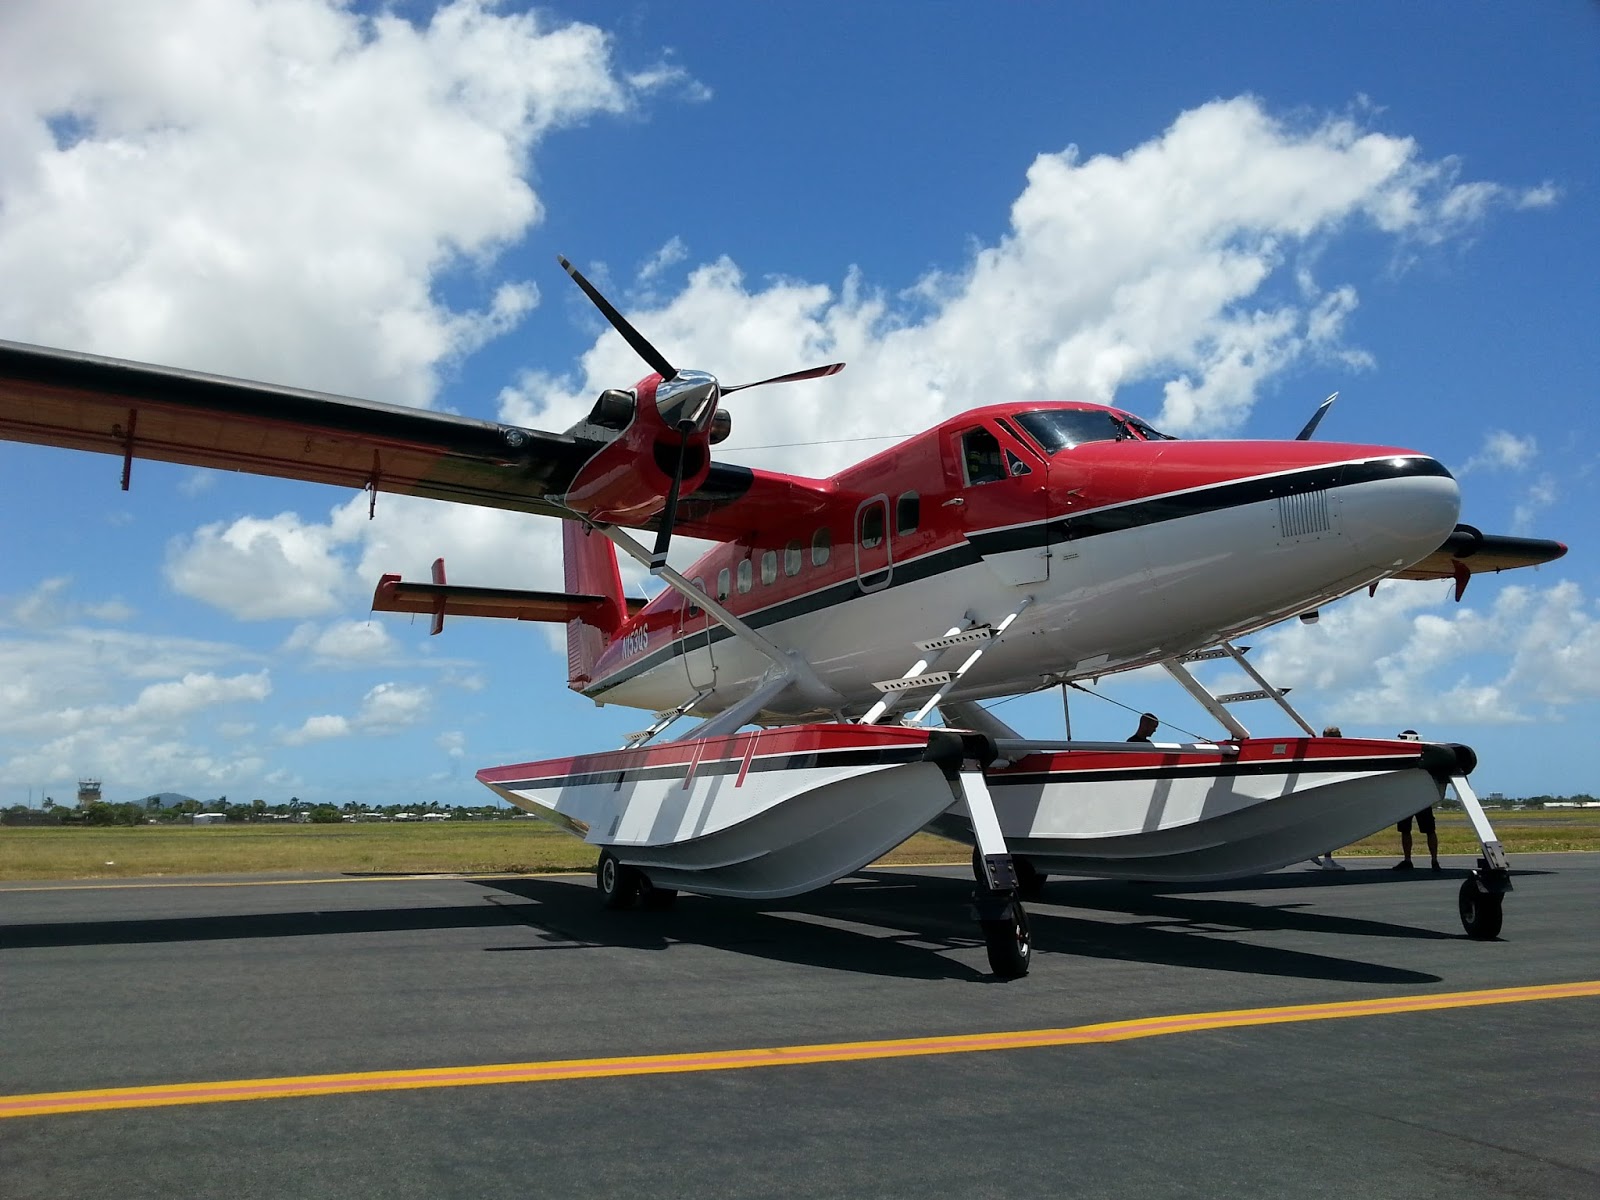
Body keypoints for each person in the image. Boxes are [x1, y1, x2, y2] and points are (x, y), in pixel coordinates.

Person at [1393, 729, 1440, 871]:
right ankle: (1430, 860)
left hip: (1416, 798)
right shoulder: (1424, 757)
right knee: (1410, 830)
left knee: (1426, 830)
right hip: (1418, 797)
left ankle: (1431, 860)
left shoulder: (1419, 757)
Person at [1312, 726, 1346, 870]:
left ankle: (1317, 851)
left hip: (1319, 793)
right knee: (1330, 828)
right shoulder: (1334, 751)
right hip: (1329, 794)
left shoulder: (1317, 750)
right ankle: (1327, 858)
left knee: (1324, 827)